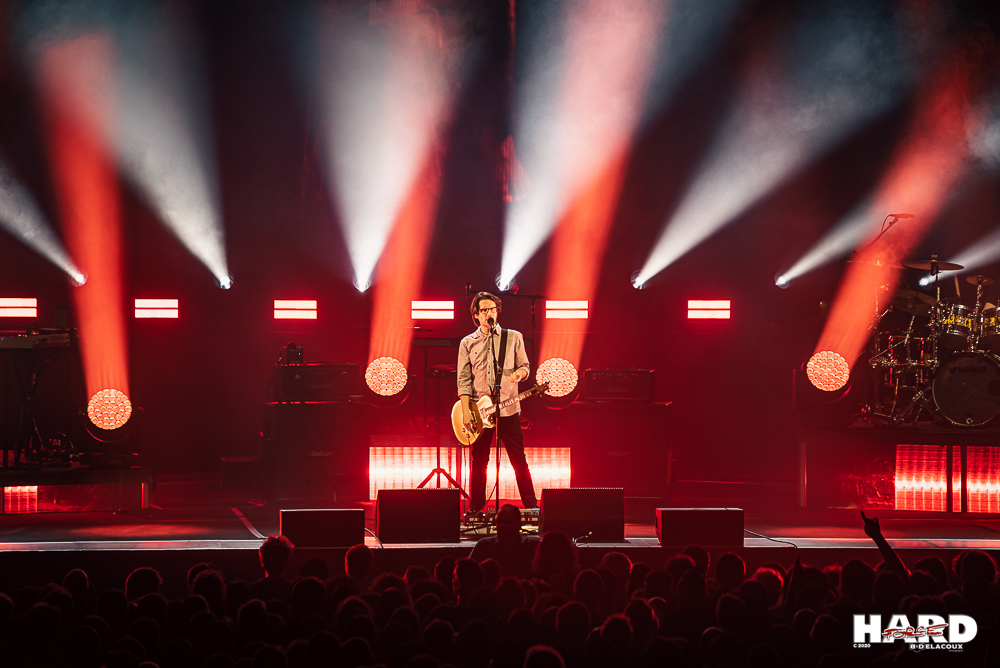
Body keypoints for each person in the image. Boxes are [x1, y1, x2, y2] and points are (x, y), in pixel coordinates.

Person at [457, 291, 537, 513]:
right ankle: (476, 508)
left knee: (518, 460)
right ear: (476, 314)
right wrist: (466, 412)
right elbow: (463, 380)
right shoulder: (467, 343)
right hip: (479, 410)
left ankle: (532, 507)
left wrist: (520, 374)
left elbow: (525, 366)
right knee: (479, 462)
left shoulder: (514, 337)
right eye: (484, 310)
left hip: (508, 408)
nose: (489, 313)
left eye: (492, 309)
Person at [469, 504, 540, 577]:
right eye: (499, 522)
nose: (501, 525)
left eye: (507, 521)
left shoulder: (532, 546)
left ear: (519, 524)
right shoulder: (484, 545)